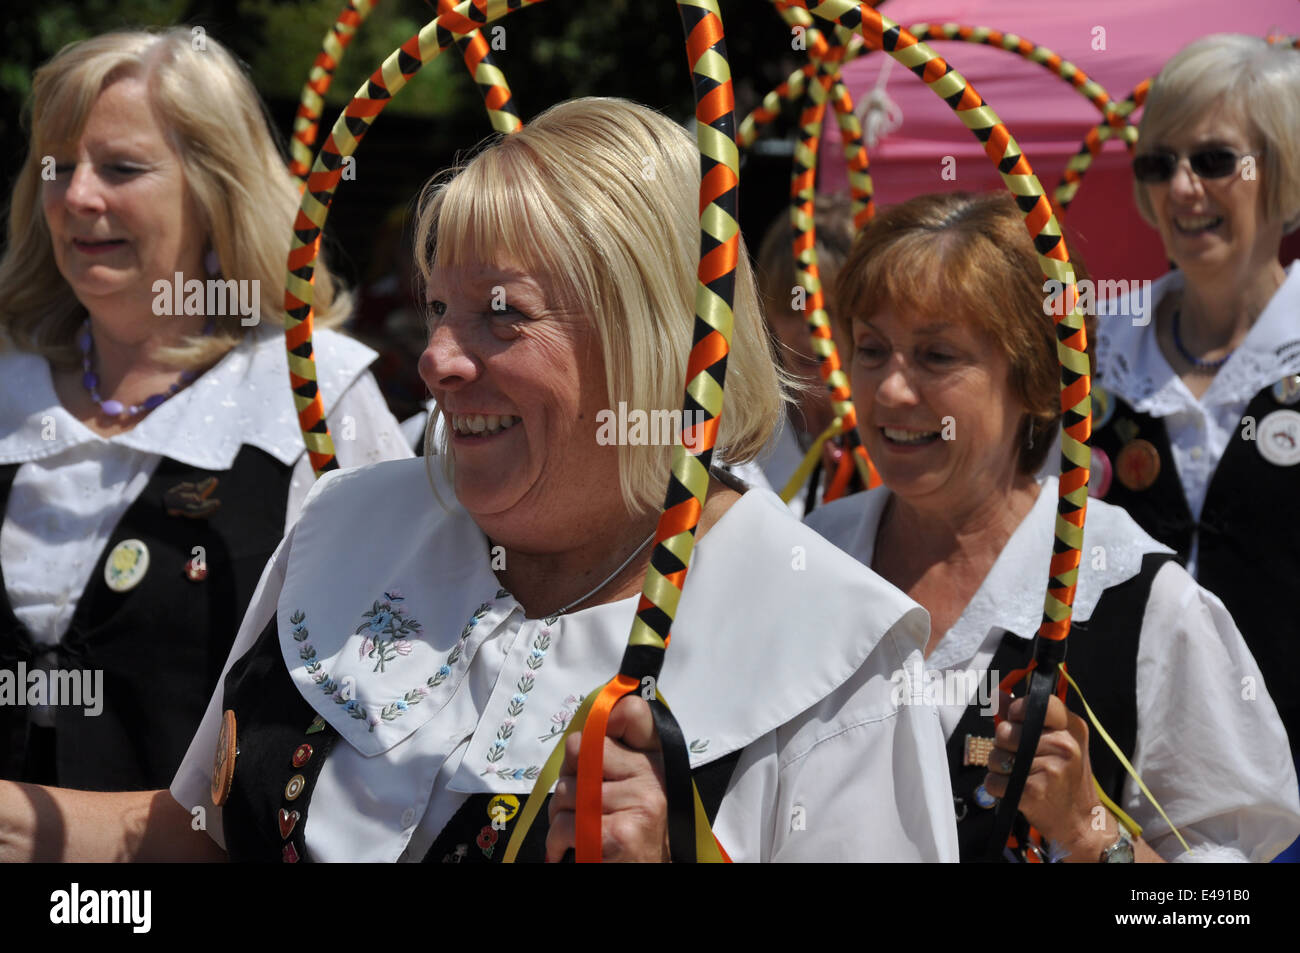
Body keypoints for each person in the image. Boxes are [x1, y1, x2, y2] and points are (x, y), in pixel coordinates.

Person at [0, 97, 958, 863]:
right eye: (437, 310)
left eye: (503, 316)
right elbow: (191, 841)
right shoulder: (352, 526)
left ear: (660, 346)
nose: (438, 361)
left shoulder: (830, 655)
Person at [806, 190, 1300, 862]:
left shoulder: (1135, 594)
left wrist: (1089, 830)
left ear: (1038, 380)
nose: (891, 389)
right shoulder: (809, 557)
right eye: (871, 348)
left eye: (936, 355)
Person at [0, 29, 410, 793]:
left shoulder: (305, 390)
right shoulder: (8, 375)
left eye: (121, 168)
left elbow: (398, 666)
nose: (78, 196)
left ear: (214, 187)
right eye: (57, 167)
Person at [1090, 35, 1300, 773]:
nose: (1182, 188)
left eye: (1213, 160)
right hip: (1121, 783)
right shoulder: (1099, 348)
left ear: (1282, 170)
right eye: (1159, 164)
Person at [739, 194, 860, 516]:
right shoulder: (737, 427)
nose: (808, 332)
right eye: (790, 310)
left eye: (827, 313)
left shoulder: (900, 432)